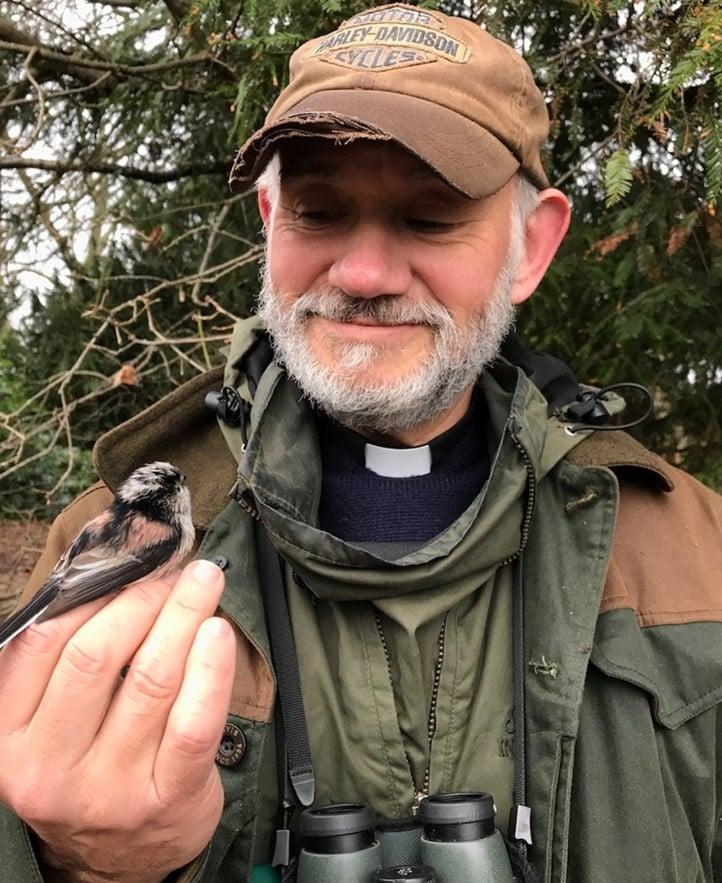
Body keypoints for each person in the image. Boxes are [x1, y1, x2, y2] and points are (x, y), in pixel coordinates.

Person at [1, 4, 720, 882]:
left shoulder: (699, 553)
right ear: (269, 220)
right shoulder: (121, 541)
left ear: (532, 246)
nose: (365, 275)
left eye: (429, 218)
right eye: (319, 210)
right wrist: (80, 864)